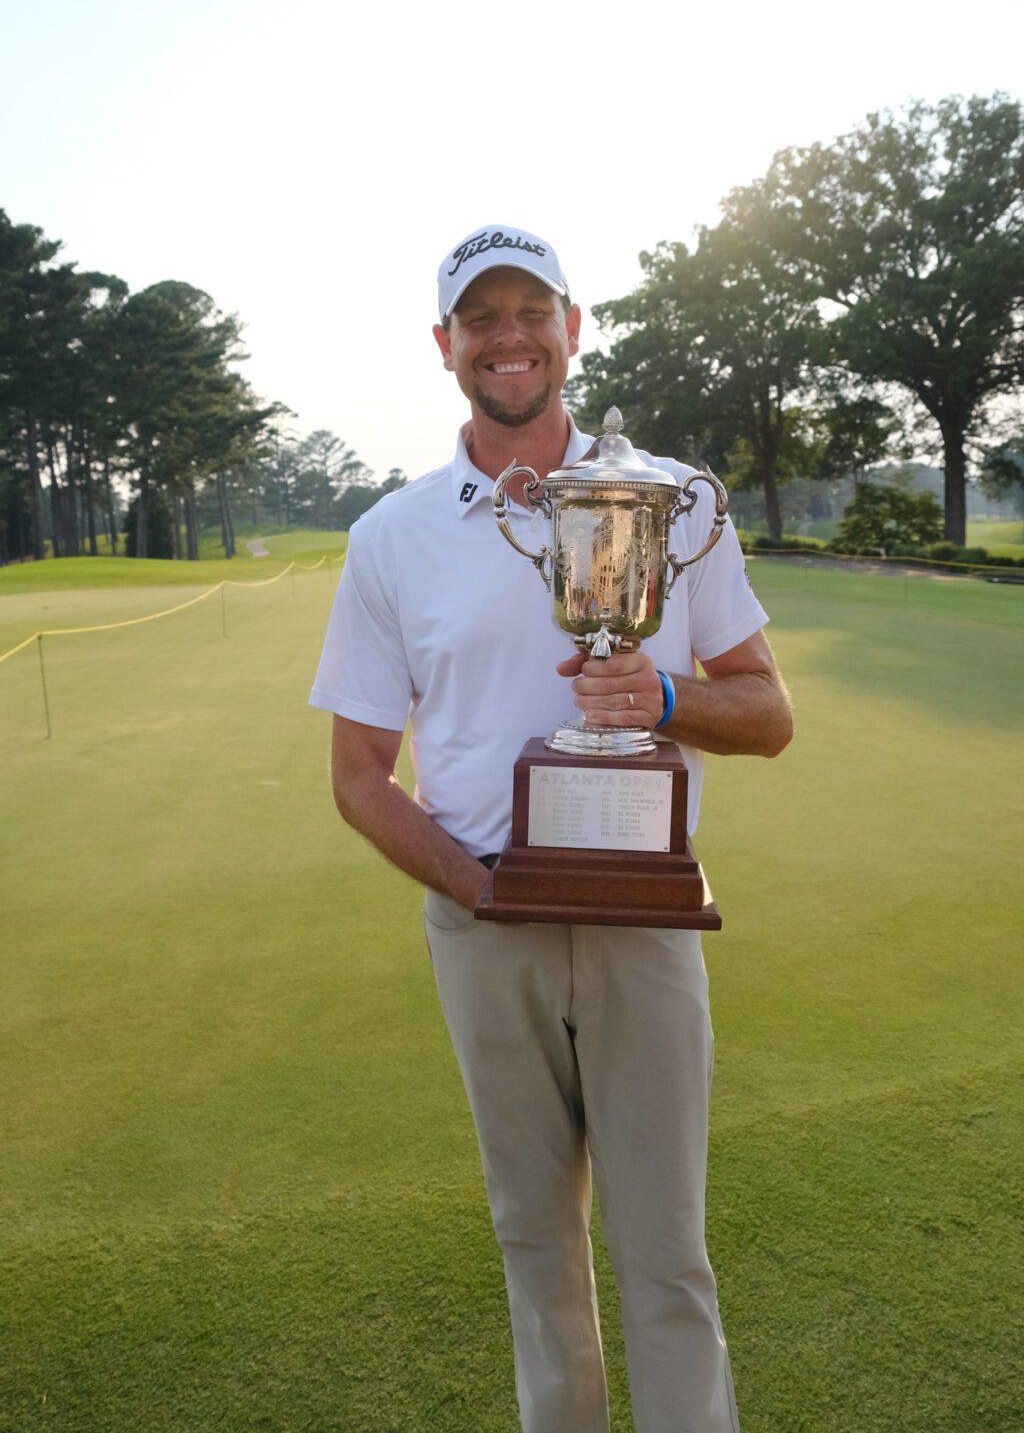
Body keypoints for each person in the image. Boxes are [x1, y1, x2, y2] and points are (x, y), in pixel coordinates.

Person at [309, 224, 793, 1433]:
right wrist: (480, 891)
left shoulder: (670, 502)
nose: (509, 338)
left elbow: (769, 712)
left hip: (645, 923)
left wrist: (668, 697)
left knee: (666, 1253)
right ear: (445, 347)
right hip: (484, 929)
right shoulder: (393, 536)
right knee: (534, 1245)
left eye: (533, 311)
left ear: (571, 329)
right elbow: (361, 773)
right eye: (482, 319)